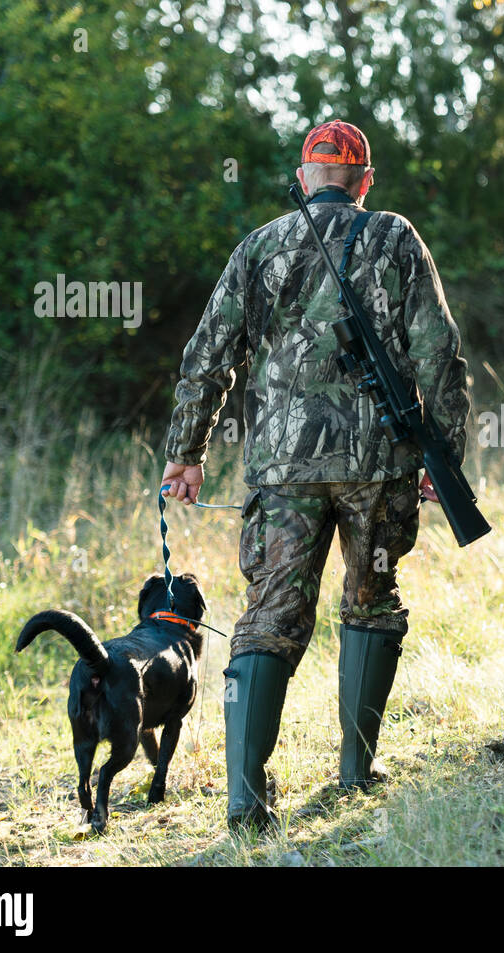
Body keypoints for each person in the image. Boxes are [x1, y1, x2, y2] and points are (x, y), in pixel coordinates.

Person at [160, 119, 470, 831]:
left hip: (281, 469)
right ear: (364, 182)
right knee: (371, 598)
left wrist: (188, 450)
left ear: (305, 179)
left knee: (269, 617)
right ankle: (356, 771)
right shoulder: (395, 237)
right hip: (379, 467)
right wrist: (440, 454)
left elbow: (207, 355)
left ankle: (244, 801)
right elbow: (439, 353)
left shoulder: (259, 247)